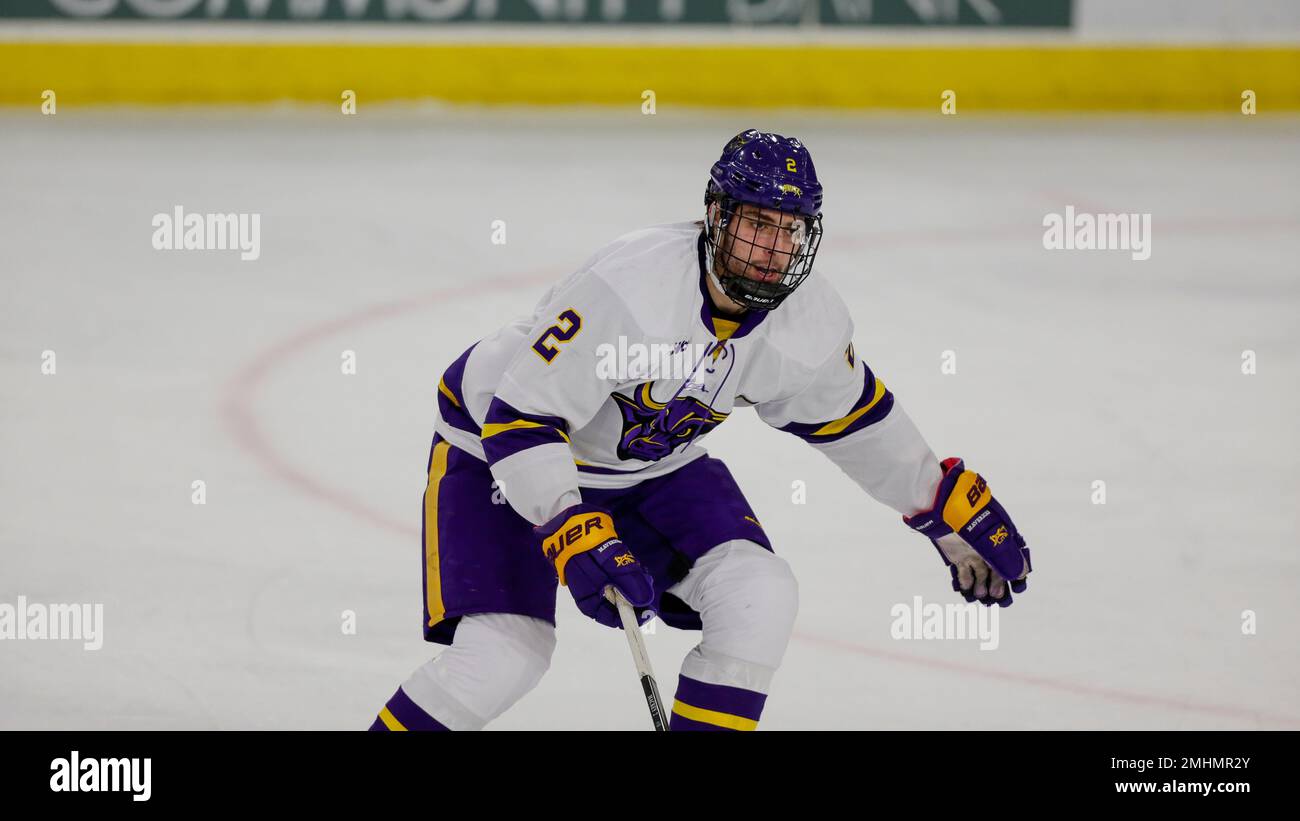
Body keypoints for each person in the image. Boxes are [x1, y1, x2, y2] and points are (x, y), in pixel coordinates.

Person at [370, 129, 1032, 732]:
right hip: (499, 442)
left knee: (760, 593)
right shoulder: (630, 286)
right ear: (716, 215)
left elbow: (857, 421)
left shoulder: (806, 322)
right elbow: (523, 416)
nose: (774, 248)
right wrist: (570, 526)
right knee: (505, 656)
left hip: (649, 467)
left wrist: (938, 506)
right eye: (758, 222)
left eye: (791, 229)